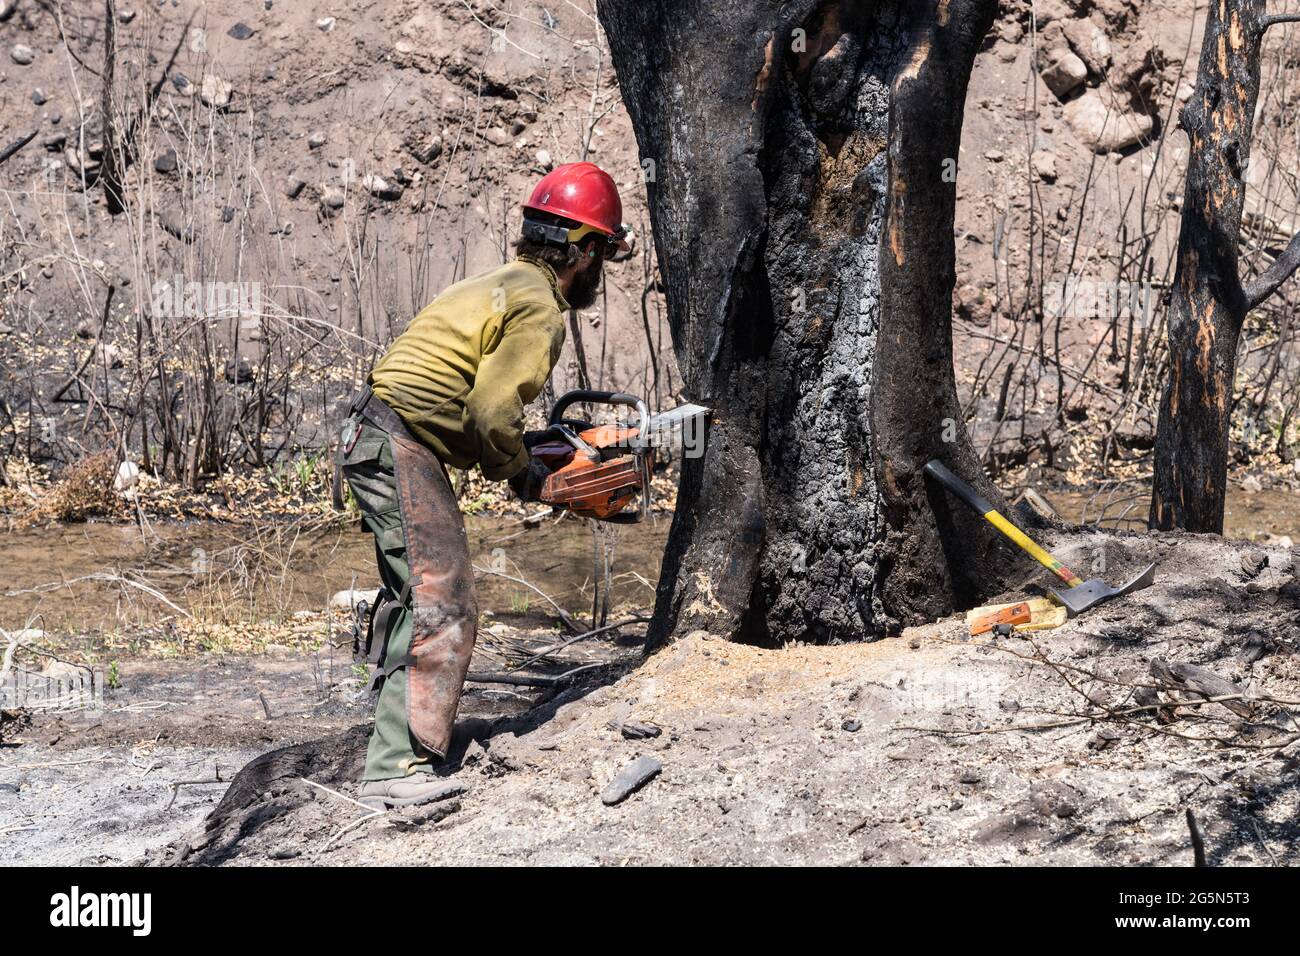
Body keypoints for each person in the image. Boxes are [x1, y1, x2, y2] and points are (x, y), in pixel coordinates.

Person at [338, 162, 627, 809]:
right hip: (399, 442)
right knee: (442, 598)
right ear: (582, 251)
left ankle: (398, 746)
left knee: (419, 593)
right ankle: (394, 769)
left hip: (383, 434)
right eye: (601, 253)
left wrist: (512, 455)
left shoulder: (500, 281)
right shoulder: (542, 308)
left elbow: (465, 402)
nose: (599, 268)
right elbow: (491, 411)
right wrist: (521, 471)